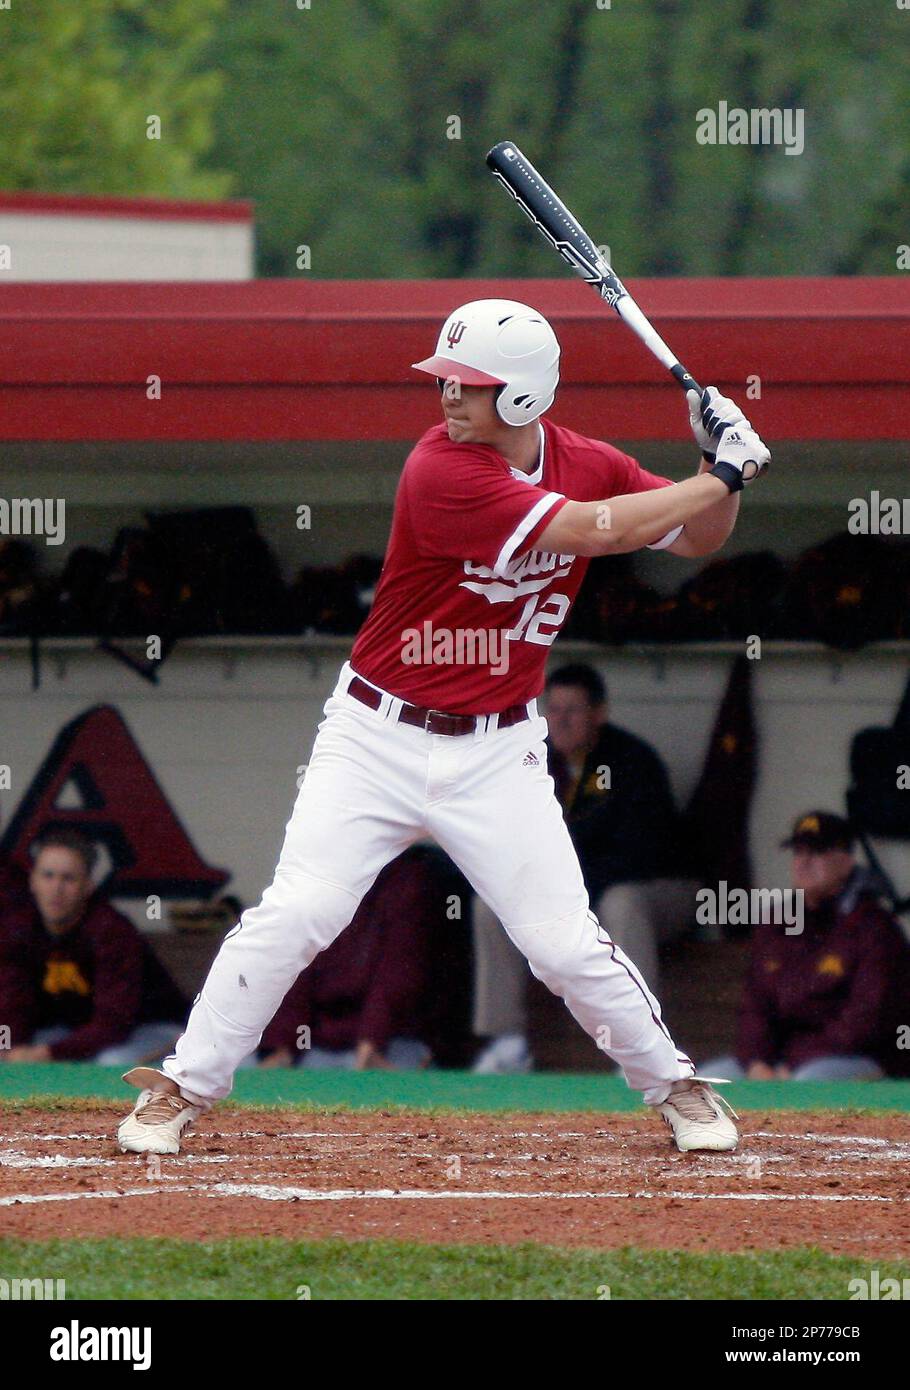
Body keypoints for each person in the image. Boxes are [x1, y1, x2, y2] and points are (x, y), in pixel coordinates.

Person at [117, 297, 769, 1157]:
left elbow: (694, 539)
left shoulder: (589, 459)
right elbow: (596, 529)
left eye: (470, 385)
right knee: (300, 910)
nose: (448, 397)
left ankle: (679, 1088)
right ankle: (182, 1088)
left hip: (498, 750)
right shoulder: (438, 470)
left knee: (564, 945)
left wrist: (714, 466)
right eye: (447, 380)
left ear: (527, 399)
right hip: (374, 737)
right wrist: (723, 473)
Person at [472, 662, 698, 1073]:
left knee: (622, 903)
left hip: (658, 890)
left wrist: (564, 889)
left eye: (572, 710)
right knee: (490, 905)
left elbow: (640, 855)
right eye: (552, 709)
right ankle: (507, 1044)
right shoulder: (532, 762)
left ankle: (639, 1047)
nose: (559, 720)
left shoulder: (632, 761)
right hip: (577, 894)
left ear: (599, 713)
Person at [705, 812, 910, 1081]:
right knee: (704, 1082)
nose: (803, 862)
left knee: (806, 1083)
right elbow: (754, 1009)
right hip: (778, 1063)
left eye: (817, 852)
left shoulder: (875, 927)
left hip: (857, 1059)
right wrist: (756, 1062)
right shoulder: (776, 923)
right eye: (798, 852)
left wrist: (791, 1064)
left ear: (846, 862)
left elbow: (866, 1020)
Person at [0, 826, 188, 1066]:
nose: (56, 888)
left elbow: (113, 1024)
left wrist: (46, 1053)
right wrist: (13, 1049)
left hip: (153, 1029)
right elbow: (13, 1005)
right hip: (76, 1033)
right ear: (33, 881)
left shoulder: (111, 931)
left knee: (111, 1062)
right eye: (48, 875)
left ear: (87, 886)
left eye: (68, 878)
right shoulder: (19, 929)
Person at [256, 846, 439, 1070]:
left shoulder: (408, 881)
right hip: (316, 1045)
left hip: (390, 1042)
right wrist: (281, 1046)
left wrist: (370, 1043)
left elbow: (395, 977)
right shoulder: (317, 883)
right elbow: (296, 970)